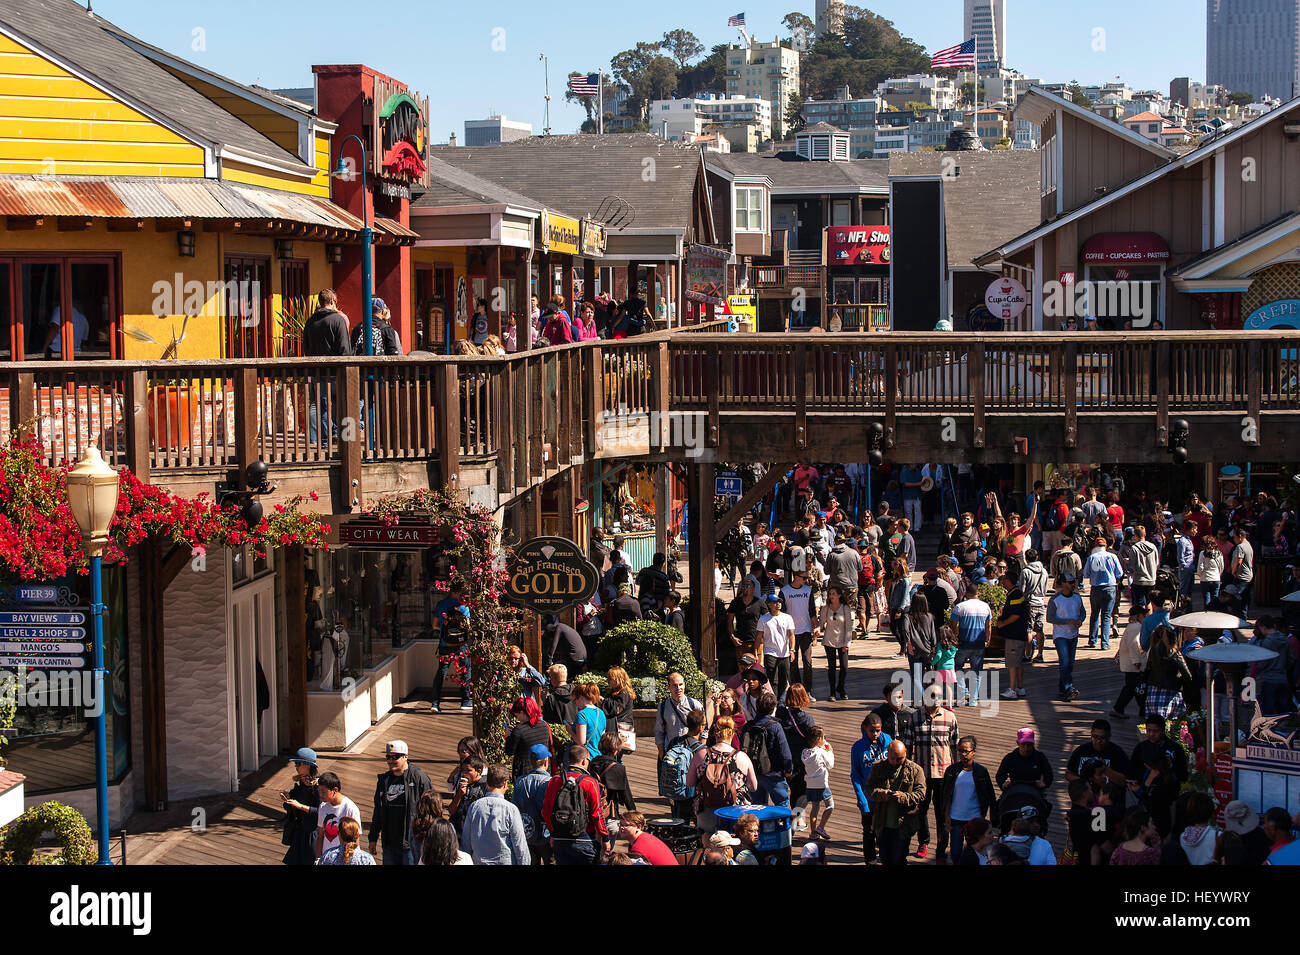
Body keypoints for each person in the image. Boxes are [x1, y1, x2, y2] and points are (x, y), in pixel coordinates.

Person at [900, 695, 960, 861]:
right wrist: (907, 772)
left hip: (944, 773)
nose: (936, 701)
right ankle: (923, 842)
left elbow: (954, 745)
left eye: (939, 697)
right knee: (920, 810)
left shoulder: (950, 717)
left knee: (943, 813)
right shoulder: (914, 717)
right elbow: (908, 745)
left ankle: (941, 847)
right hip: (922, 773)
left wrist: (957, 770)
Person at [366, 740, 432, 865]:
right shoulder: (384, 780)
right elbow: (378, 811)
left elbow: (431, 809)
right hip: (389, 844)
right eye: (388, 757)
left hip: (411, 843)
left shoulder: (419, 778)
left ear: (405, 757)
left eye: (395, 757)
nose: (390, 761)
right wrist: (373, 838)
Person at [687, 716, 756, 833]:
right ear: (732, 734)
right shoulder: (741, 757)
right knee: (735, 840)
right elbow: (753, 787)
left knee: (707, 839)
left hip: (706, 809)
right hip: (735, 812)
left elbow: (689, 782)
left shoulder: (701, 754)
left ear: (715, 733)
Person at [543, 744, 610, 864]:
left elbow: (546, 810)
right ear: (584, 761)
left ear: (568, 760)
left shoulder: (554, 780)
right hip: (584, 837)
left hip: (560, 838)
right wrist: (605, 837)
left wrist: (552, 833)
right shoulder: (590, 782)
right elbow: (597, 813)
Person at [866, 739, 928, 866]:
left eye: (900, 758)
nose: (895, 761)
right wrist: (882, 794)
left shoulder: (916, 770)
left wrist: (902, 797)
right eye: (892, 758)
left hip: (903, 825)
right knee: (885, 858)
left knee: (899, 859)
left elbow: (921, 794)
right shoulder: (878, 767)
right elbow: (869, 788)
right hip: (883, 823)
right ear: (887, 754)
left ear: (906, 753)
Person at [1127, 715, 1188, 839]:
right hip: (1144, 797)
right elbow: (1132, 772)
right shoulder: (1141, 748)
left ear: (1163, 730)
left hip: (1168, 799)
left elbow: (1183, 774)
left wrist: (1167, 774)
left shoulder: (1174, 749)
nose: (1151, 734)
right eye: (1148, 730)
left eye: (1155, 731)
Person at [939, 735, 996, 865]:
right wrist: (946, 815)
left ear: (973, 752)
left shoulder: (981, 772)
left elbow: (990, 795)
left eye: (966, 751)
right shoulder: (952, 770)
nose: (963, 754)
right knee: (955, 852)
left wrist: (990, 817)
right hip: (956, 817)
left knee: (975, 851)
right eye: (960, 751)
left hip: (974, 817)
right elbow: (946, 794)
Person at [460, 763, 531, 865]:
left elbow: (466, 842)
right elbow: (520, 845)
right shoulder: (511, 810)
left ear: (487, 782)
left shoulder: (475, 807)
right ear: (505, 784)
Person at [850, 713, 892, 864]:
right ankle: (870, 859)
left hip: (885, 796)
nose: (875, 734)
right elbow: (855, 775)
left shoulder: (888, 742)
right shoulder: (858, 748)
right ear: (864, 728)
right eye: (872, 730)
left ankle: (886, 857)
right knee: (868, 831)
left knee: (886, 830)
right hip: (868, 797)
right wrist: (861, 799)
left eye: (878, 730)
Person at [740, 691, 793, 807]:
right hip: (773, 773)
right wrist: (788, 769)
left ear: (756, 707)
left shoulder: (748, 726)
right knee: (782, 804)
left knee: (757, 806)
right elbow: (785, 752)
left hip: (754, 772)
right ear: (772, 708)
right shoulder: (775, 726)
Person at [950, 581, 992, 706]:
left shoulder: (960, 607)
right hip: (979, 643)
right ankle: (973, 700)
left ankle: (963, 692)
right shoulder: (985, 607)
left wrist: (954, 640)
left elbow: (953, 625)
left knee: (958, 667)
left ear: (966, 593)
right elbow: (988, 626)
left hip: (963, 642)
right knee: (976, 671)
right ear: (978, 593)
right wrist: (987, 639)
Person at [431, 584, 471, 713]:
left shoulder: (441, 604)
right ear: (460, 592)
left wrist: (445, 631)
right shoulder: (464, 607)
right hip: (461, 645)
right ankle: (465, 701)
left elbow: (434, 625)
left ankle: (435, 703)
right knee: (465, 672)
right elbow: (468, 627)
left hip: (445, 644)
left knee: (441, 672)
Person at [1047, 575, 1086, 702]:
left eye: (1073, 582)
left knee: (1070, 664)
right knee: (1064, 662)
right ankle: (1069, 688)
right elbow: (1050, 618)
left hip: (1073, 634)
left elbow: (1083, 612)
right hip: (1060, 635)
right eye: (1069, 582)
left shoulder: (1077, 597)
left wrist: (1080, 620)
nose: (1072, 584)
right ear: (1063, 583)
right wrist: (1067, 621)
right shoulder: (1055, 599)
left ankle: (1062, 688)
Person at [512, 744, 553, 864]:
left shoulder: (520, 781)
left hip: (527, 834)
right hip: (546, 835)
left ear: (530, 762)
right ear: (546, 761)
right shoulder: (550, 783)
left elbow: (514, 809)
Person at [280, 747, 320, 865]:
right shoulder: (300, 784)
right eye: (296, 764)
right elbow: (293, 810)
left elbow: (321, 811)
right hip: (300, 833)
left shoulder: (317, 787)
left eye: (298, 763)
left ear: (308, 766)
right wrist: (288, 800)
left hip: (312, 835)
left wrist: (300, 806)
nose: (296, 767)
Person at [1082, 536, 1124, 649]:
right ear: (1105, 545)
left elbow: (1086, 574)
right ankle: (1105, 643)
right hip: (1109, 587)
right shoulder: (1112, 556)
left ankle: (1092, 640)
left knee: (1095, 614)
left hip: (1096, 588)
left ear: (1096, 546)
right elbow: (1119, 573)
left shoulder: (1091, 557)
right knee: (1106, 616)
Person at [996, 566, 1029, 700]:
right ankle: (1020, 687)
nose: (1002, 581)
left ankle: (1012, 689)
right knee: (1018, 662)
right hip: (1019, 634)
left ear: (1009, 581)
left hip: (1014, 634)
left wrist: (1002, 623)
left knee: (1012, 664)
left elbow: (1015, 615)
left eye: (1004, 579)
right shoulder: (1016, 594)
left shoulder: (1015, 595)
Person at [653, 671, 703, 759]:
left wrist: (701, 750)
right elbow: (659, 731)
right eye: (675, 685)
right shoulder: (663, 707)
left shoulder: (694, 705)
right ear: (668, 687)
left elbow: (704, 728)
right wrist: (661, 751)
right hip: (671, 752)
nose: (678, 688)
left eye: (681, 685)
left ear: (684, 685)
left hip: (691, 752)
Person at [817, 585, 854, 701]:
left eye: (833, 594)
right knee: (831, 667)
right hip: (829, 640)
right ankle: (832, 692)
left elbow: (849, 627)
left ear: (839, 595)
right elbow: (821, 623)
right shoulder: (826, 609)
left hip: (842, 640)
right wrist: (817, 630)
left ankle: (841, 687)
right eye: (830, 594)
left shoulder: (845, 608)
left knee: (844, 667)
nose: (831, 596)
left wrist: (847, 643)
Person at [1111, 606, 1149, 720]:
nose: (1145, 617)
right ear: (1138, 616)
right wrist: (1136, 661)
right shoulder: (1136, 627)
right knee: (1134, 688)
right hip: (1133, 665)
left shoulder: (1133, 627)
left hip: (1131, 664)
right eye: (1143, 615)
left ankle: (1140, 710)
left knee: (1133, 688)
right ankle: (1120, 708)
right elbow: (1133, 645)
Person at [314, 771, 362, 860]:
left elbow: (356, 840)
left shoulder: (350, 808)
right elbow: (320, 835)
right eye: (319, 791)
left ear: (335, 790)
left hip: (344, 858)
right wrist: (318, 858)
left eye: (323, 791)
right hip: (326, 858)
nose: (320, 795)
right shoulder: (323, 807)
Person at [758, 591, 795, 702]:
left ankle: (782, 702)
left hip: (784, 653)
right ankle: (773, 701)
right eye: (775, 602)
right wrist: (756, 652)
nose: (778, 604)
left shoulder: (787, 617)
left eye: (779, 602)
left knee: (784, 679)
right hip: (770, 652)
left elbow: (791, 635)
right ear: (769, 604)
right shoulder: (763, 619)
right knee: (773, 679)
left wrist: (792, 649)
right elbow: (759, 636)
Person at [505, 697, 552, 782]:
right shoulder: (544, 725)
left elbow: (509, 751)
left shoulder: (519, 730)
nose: (517, 718)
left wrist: (508, 736)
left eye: (517, 715)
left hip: (525, 774)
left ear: (522, 712)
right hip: (544, 770)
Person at [801, 725, 835, 840]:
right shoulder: (820, 752)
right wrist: (829, 751)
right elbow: (830, 764)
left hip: (810, 785)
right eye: (823, 737)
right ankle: (821, 827)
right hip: (822, 785)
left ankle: (813, 833)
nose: (824, 739)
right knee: (830, 806)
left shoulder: (804, 752)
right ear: (817, 739)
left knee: (815, 808)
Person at [447, 756, 487, 834]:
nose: (465, 774)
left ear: (479, 771)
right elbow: (451, 810)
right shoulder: (463, 785)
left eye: (468, 771)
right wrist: (459, 794)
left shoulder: (484, 787)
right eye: (463, 771)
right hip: (458, 829)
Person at [570, 682, 608, 761]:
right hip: (597, 755)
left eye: (575, 700)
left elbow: (581, 741)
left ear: (581, 698)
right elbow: (602, 737)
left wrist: (569, 730)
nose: (575, 704)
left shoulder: (582, 714)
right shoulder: (601, 713)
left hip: (584, 757)